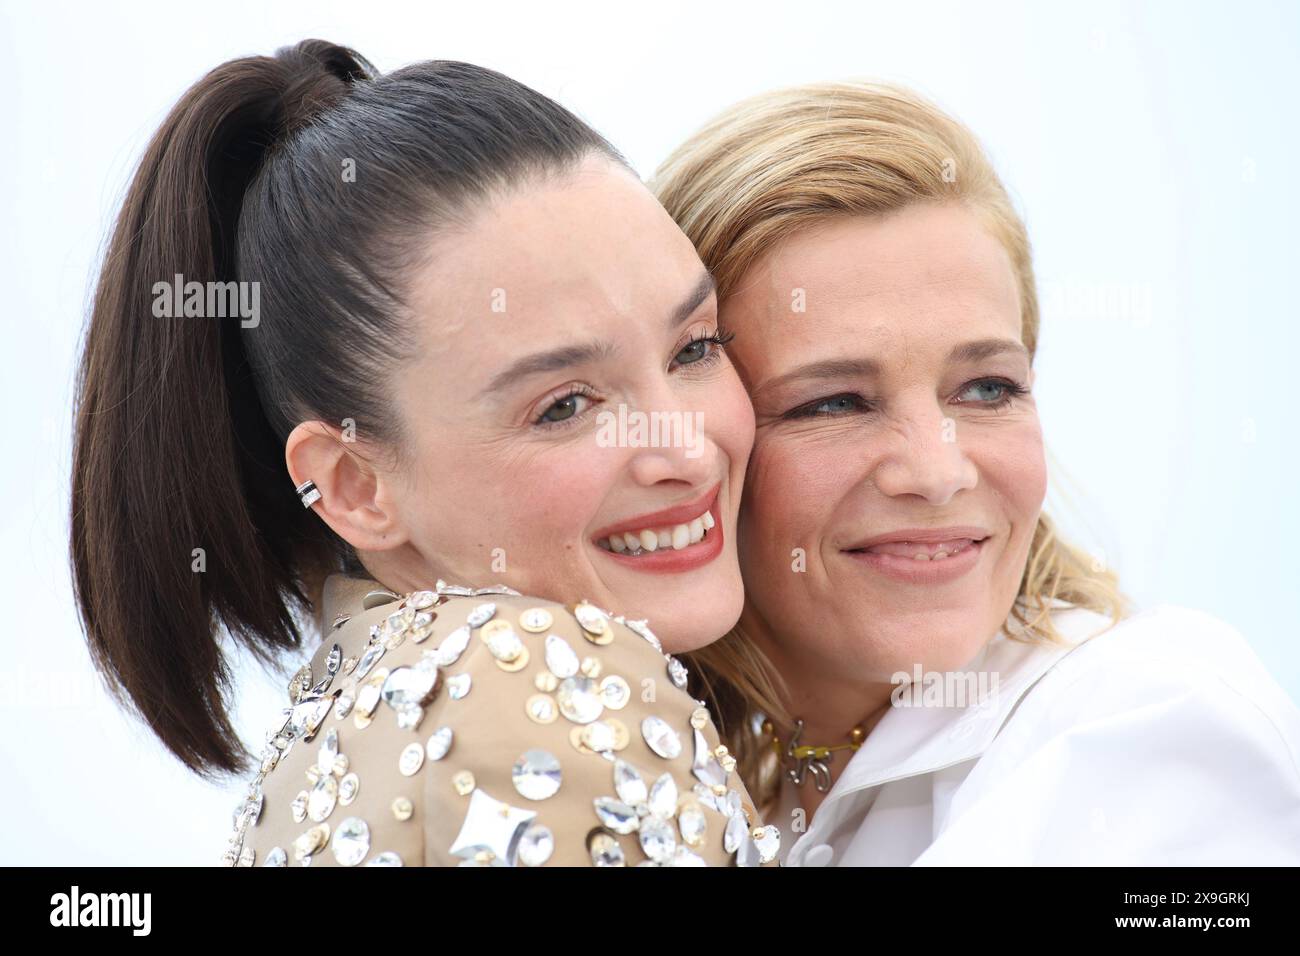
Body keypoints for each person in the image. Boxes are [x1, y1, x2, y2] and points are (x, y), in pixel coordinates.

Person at [70, 39, 777, 866]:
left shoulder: (345, 730)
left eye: (694, 349)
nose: (687, 452)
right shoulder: (540, 682)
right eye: (566, 405)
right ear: (354, 484)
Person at [653, 80, 1300, 865]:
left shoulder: (1149, 715)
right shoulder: (705, 781)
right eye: (834, 403)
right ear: (695, 441)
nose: (937, 471)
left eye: (988, 388)